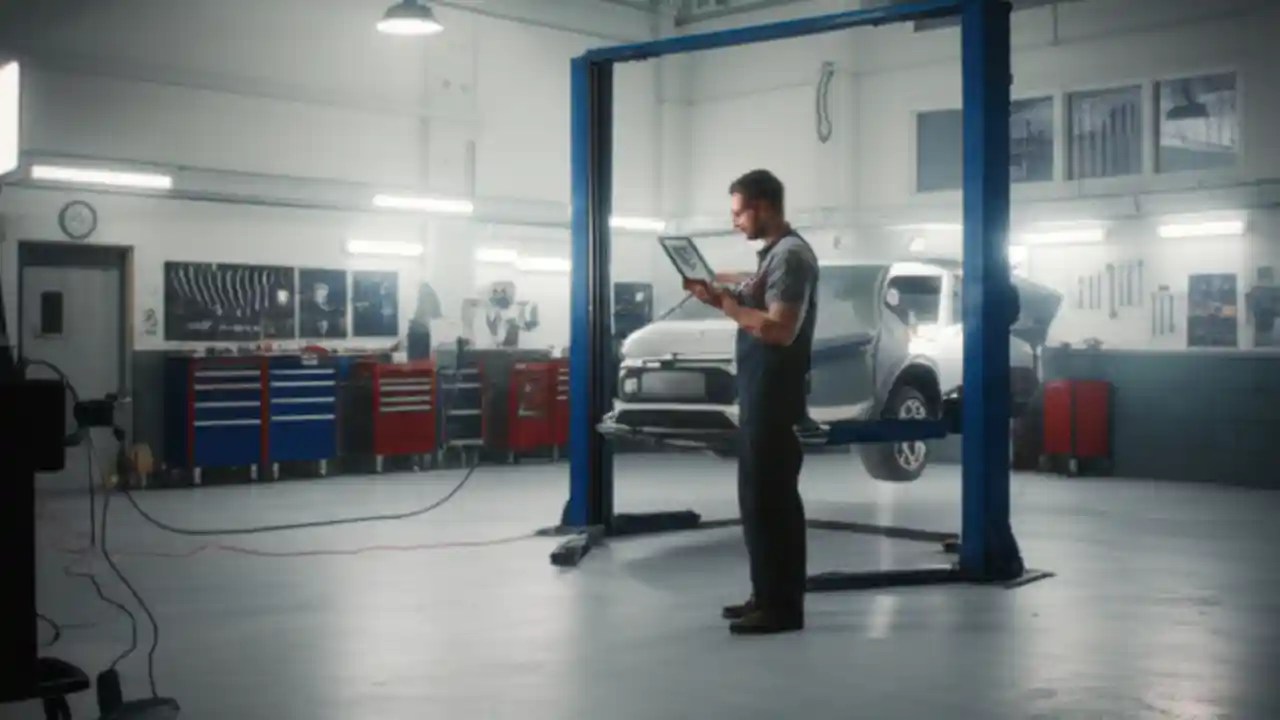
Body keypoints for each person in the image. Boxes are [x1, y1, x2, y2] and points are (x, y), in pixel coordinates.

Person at [684, 169, 818, 635]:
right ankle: (765, 595)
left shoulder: (792, 257)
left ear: (761, 206)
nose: (736, 221)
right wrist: (717, 295)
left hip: (776, 395)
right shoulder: (771, 258)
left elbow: (779, 329)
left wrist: (727, 308)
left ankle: (783, 608)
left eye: (739, 212)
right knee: (756, 498)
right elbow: (751, 303)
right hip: (760, 394)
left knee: (774, 499)